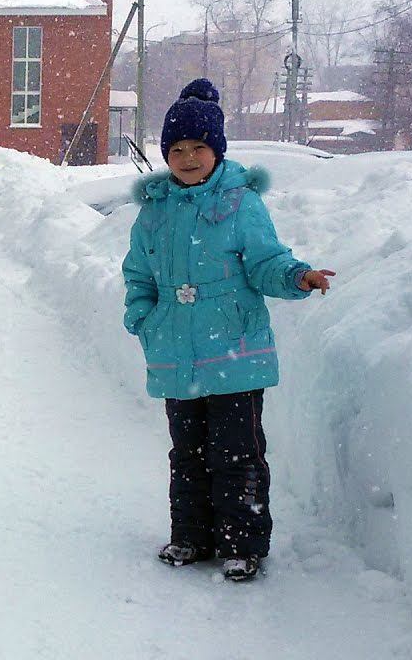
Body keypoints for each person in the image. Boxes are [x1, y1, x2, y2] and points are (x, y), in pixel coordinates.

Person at [121, 78, 335, 582]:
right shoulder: (153, 214)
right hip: (176, 351)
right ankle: (191, 536)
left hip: (233, 351)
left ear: (217, 151)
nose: (188, 157)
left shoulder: (240, 204)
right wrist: (142, 316)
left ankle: (243, 544)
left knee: (237, 454)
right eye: (177, 149)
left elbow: (266, 261)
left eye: (198, 147)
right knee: (188, 454)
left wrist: (296, 275)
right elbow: (138, 274)